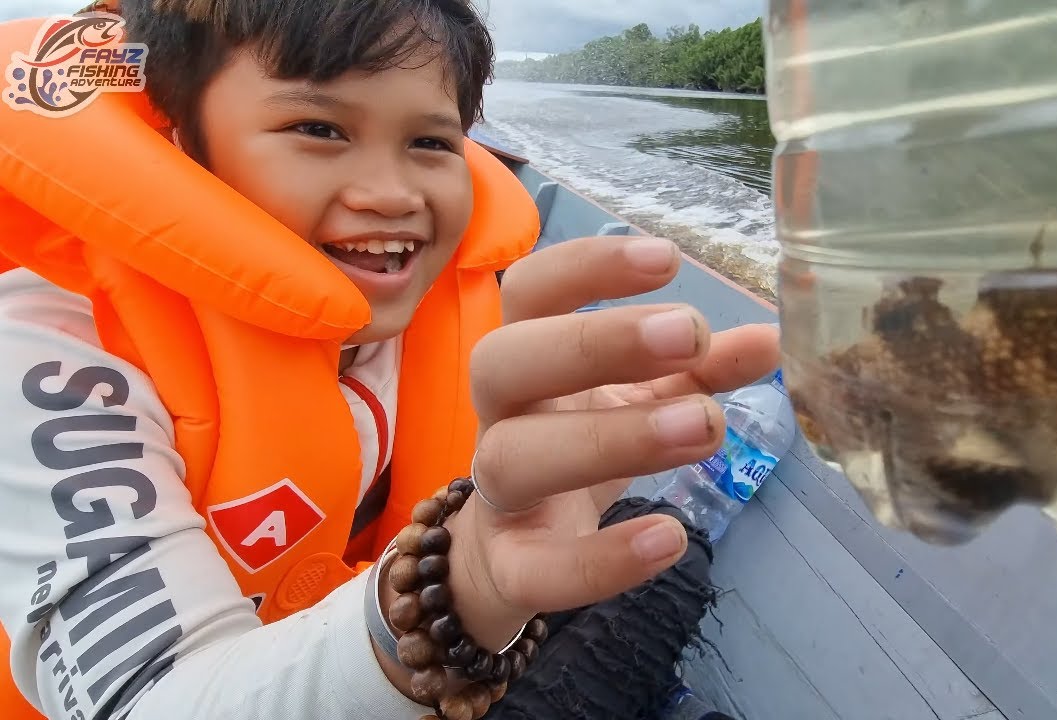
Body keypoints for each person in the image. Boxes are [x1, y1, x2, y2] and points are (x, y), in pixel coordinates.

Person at [0, 1, 779, 719]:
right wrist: (454, 594)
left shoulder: (440, 303)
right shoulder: (52, 351)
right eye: (320, 129)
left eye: (430, 143)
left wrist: (488, 556)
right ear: (179, 139)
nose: (391, 194)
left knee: (663, 559)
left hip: (374, 639)